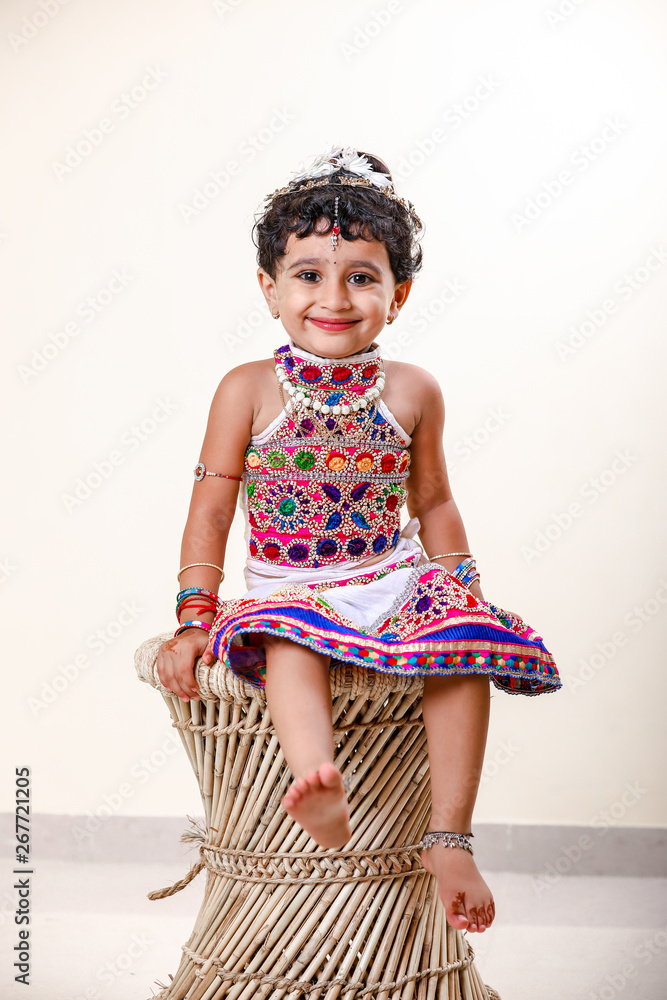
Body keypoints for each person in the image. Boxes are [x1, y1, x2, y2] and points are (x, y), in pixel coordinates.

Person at [157, 144, 561, 936]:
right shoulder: (247, 388)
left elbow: (435, 501)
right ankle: (320, 782)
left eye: (361, 277)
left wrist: (459, 588)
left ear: (398, 293)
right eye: (308, 274)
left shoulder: (412, 391)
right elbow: (211, 507)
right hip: (292, 589)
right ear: (269, 288)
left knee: (463, 649)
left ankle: (448, 837)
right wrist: (194, 614)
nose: (333, 296)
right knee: (286, 647)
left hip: (392, 573)